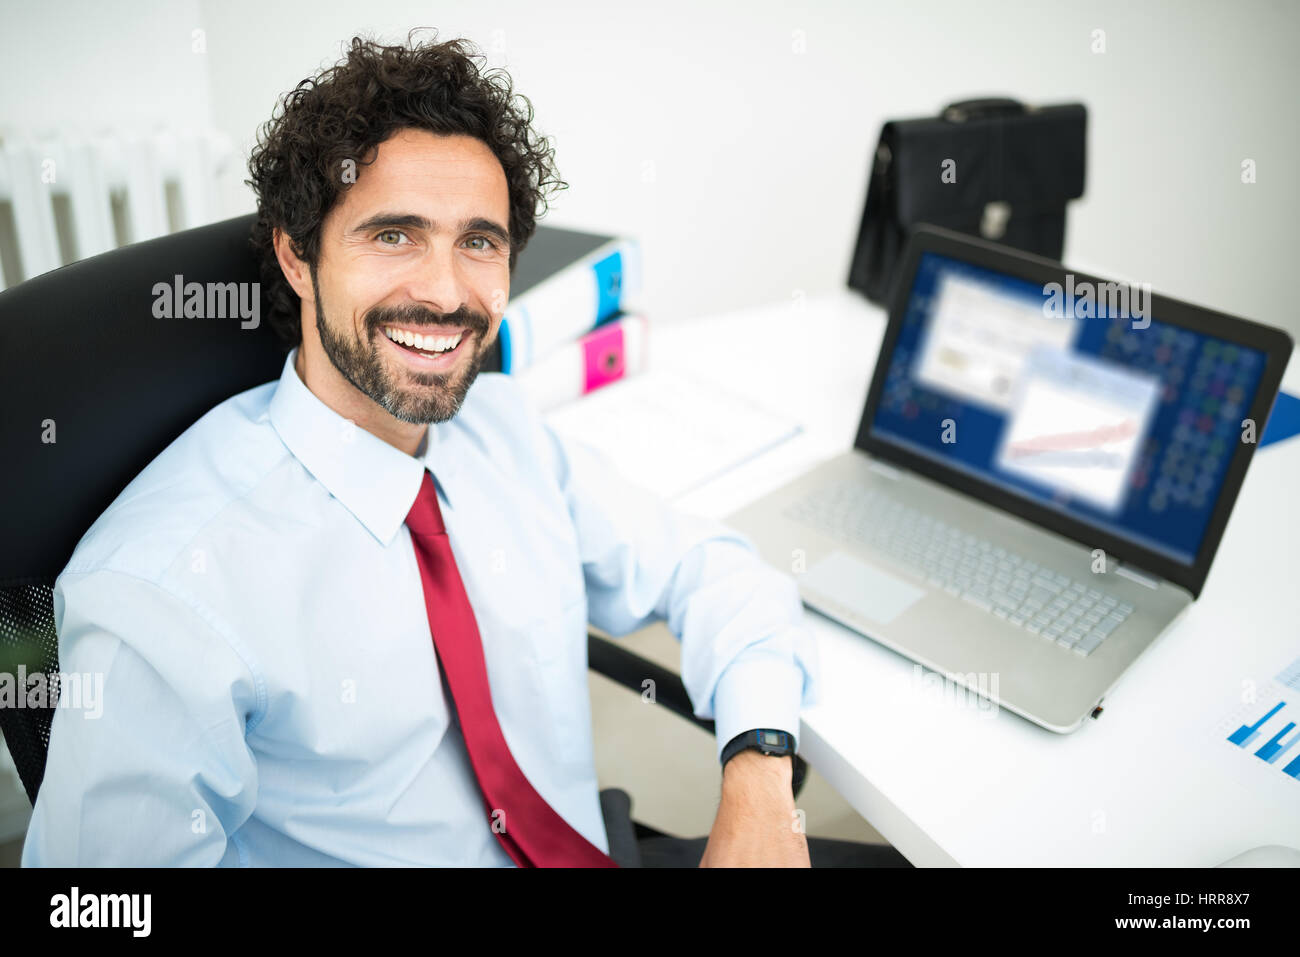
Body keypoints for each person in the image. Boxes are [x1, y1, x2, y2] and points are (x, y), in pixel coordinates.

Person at [22, 32, 903, 868]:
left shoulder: (499, 429)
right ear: (297, 256)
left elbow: (715, 572)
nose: (446, 293)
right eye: (393, 234)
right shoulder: (165, 591)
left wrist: (759, 779)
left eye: (477, 242)